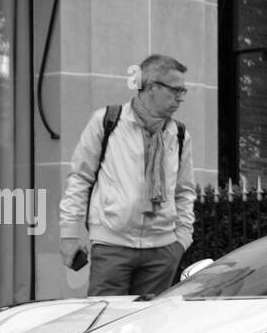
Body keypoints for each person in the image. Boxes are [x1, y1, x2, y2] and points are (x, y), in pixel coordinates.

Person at [59, 53, 196, 296]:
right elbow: (80, 178)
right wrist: (70, 234)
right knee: (105, 324)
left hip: (163, 249)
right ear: (152, 87)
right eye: (176, 90)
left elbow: (185, 191)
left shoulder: (179, 134)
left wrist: (181, 240)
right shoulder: (107, 121)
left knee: (150, 329)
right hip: (112, 245)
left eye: (183, 91)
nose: (180, 98)